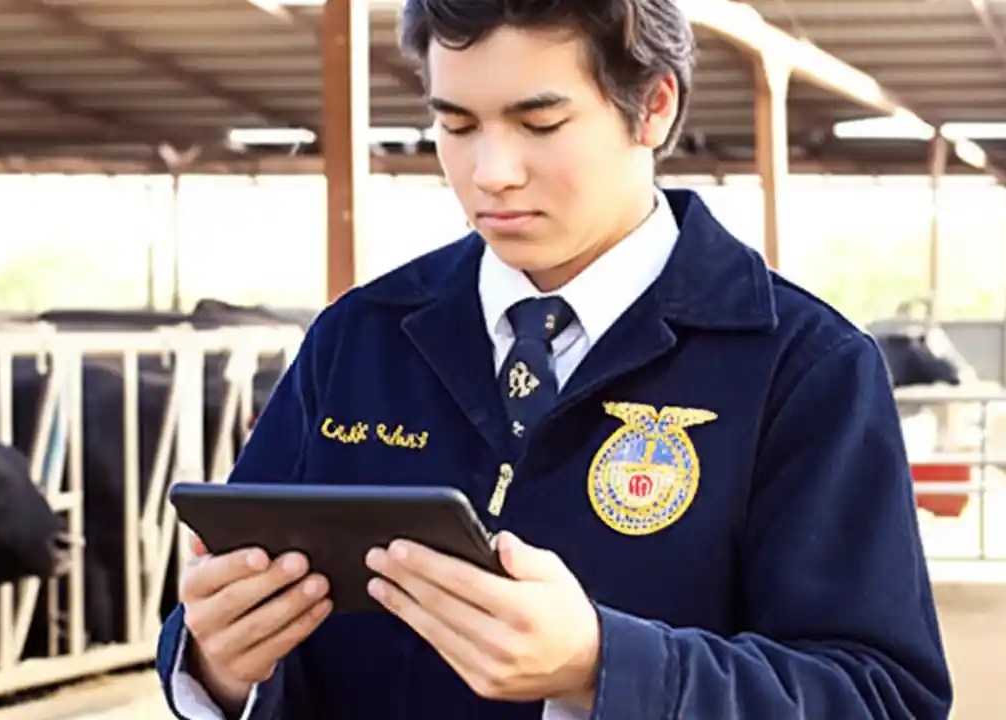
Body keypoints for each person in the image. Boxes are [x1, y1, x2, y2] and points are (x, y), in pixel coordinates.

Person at [156, 0, 954, 717]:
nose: (491, 174)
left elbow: (880, 695)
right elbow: (225, 617)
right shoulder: (359, 338)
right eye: (457, 125)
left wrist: (603, 667)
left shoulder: (801, 368)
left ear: (653, 109)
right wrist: (218, 666)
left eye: (540, 123)